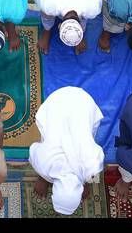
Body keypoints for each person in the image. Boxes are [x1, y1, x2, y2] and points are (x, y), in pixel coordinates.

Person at [28, 86, 104, 216]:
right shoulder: (43, 164)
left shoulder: (92, 168)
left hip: (78, 103)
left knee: (85, 138)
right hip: (67, 103)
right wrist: (43, 177)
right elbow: (34, 149)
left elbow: (97, 164)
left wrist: (86, 182)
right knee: (48, 139)